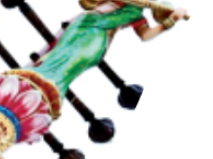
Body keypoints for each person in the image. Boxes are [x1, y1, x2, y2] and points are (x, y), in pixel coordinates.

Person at [31, 1, 191, 92]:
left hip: (100, 40)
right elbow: (86, 3)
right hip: (86, 25)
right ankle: (38, 76)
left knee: (77, 62)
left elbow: (145, 35)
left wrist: (170, 21)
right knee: (61, 53)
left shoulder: (136, 15)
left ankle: (53, 87)